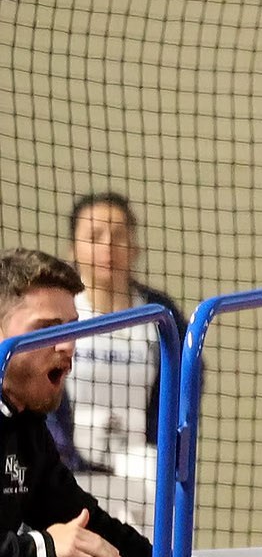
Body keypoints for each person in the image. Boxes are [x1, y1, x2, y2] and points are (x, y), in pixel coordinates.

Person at [0, 249, 262, 557]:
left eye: (72, 329)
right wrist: (44, 546)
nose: (67, 345)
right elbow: (57, 540)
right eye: (46, 329)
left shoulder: (27, 430)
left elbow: (91, 526)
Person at [49, 193, 187, 482]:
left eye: (119, 235)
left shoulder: (160, 313)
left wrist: (160, 451)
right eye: (95, 237)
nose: (108, 247)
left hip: (144, 471)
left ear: (135, 247)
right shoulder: (58, 311)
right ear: (73, 249)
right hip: (67, 472)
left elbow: (186, 383)